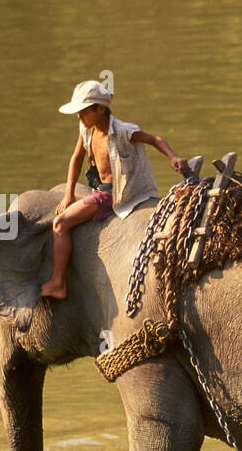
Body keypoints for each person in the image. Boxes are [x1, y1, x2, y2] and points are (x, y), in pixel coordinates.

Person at [40, 80, 191, 300]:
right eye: (78, 114)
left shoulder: (122, 131)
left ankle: (58, 282)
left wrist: (173, 156)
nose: (79, 118)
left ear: (100, 109)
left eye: (83, 113)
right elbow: (77, 158)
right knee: (68, 209)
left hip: (112, 193)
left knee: (60, 223)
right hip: (98, 187)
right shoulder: (87, 129)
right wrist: (69, 193)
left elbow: (153, 139)